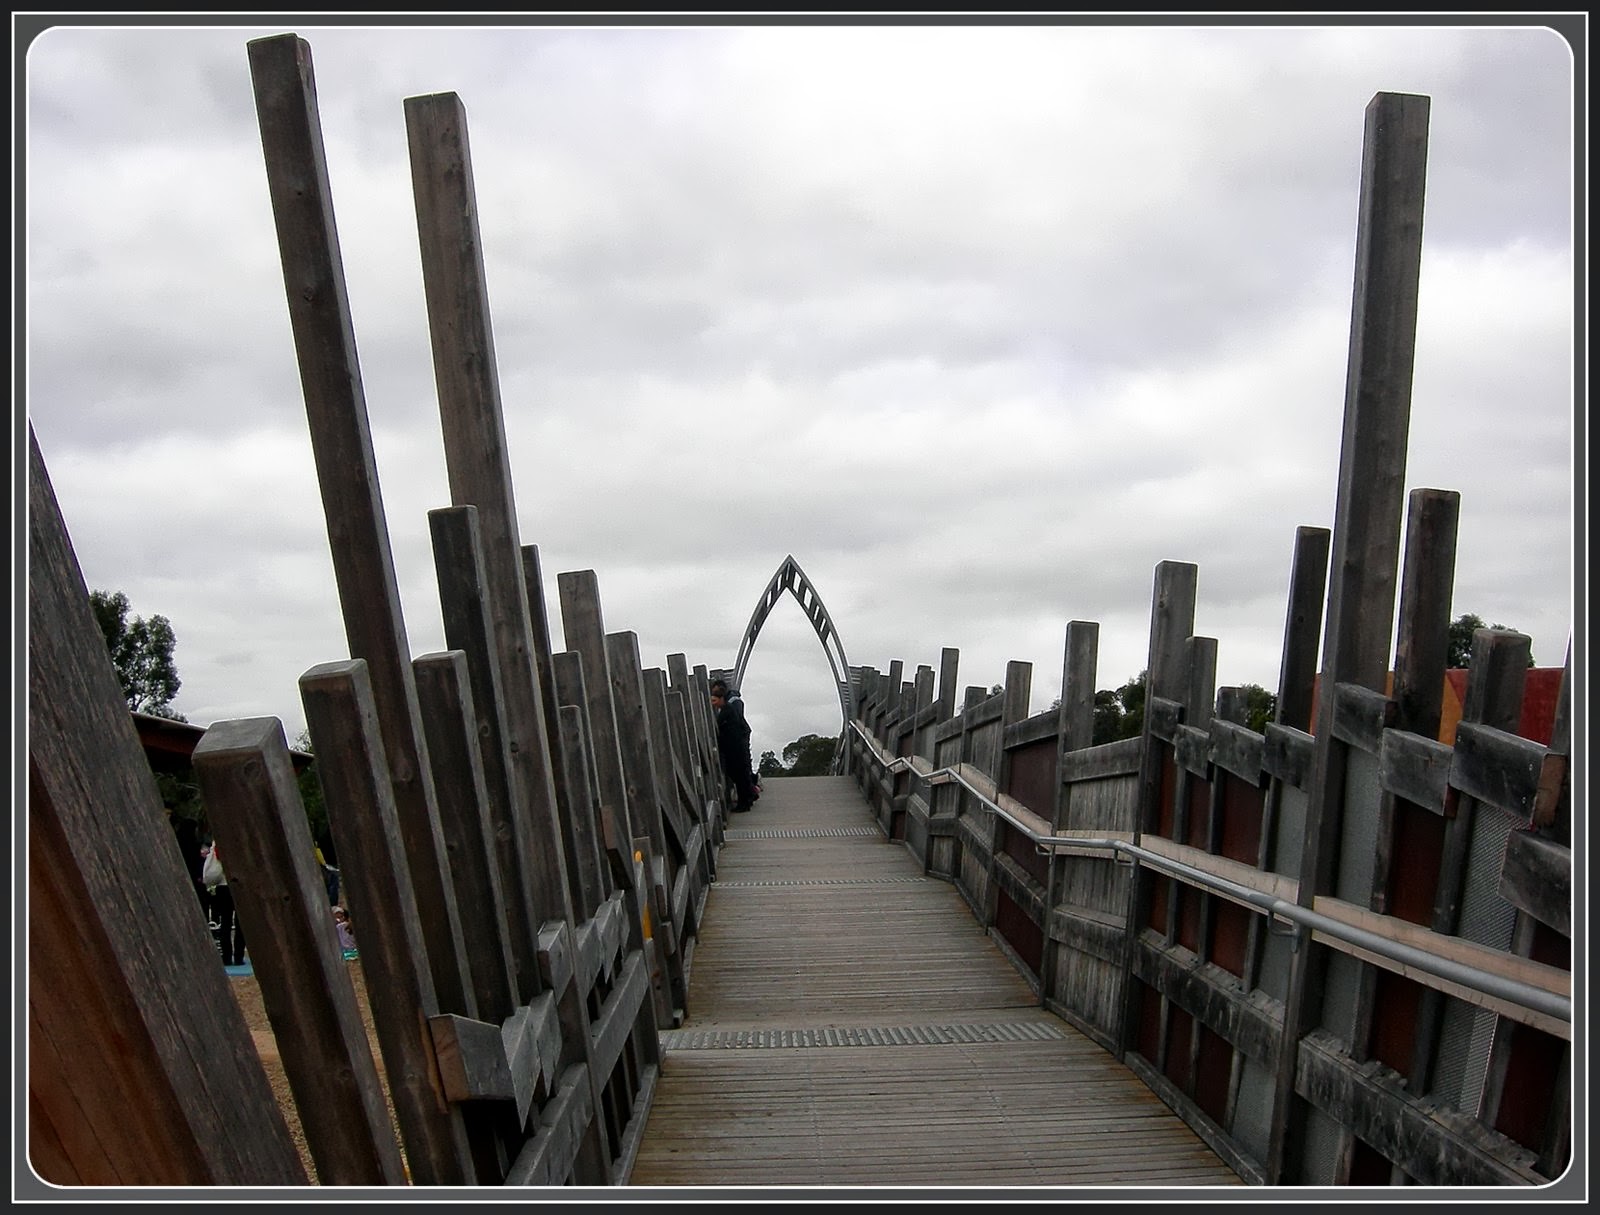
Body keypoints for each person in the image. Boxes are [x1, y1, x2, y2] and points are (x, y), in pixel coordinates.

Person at [710, 679, 758, 813]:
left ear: (721, 698)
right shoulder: (728, 709)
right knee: (741, 775)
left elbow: (725, 729)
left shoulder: (727, 710)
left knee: (739, 776)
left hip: (735, 749)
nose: (713, 704)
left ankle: (744, 803)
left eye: (714, 700)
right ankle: (748, 798)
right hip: (736, 747)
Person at [203, 840, 247, 966]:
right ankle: (239, 956)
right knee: (240, 923)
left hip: (223, 885)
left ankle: (226, 956)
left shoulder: (219, 841)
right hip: (240, 885)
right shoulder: (240, 840)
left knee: (225, 921)